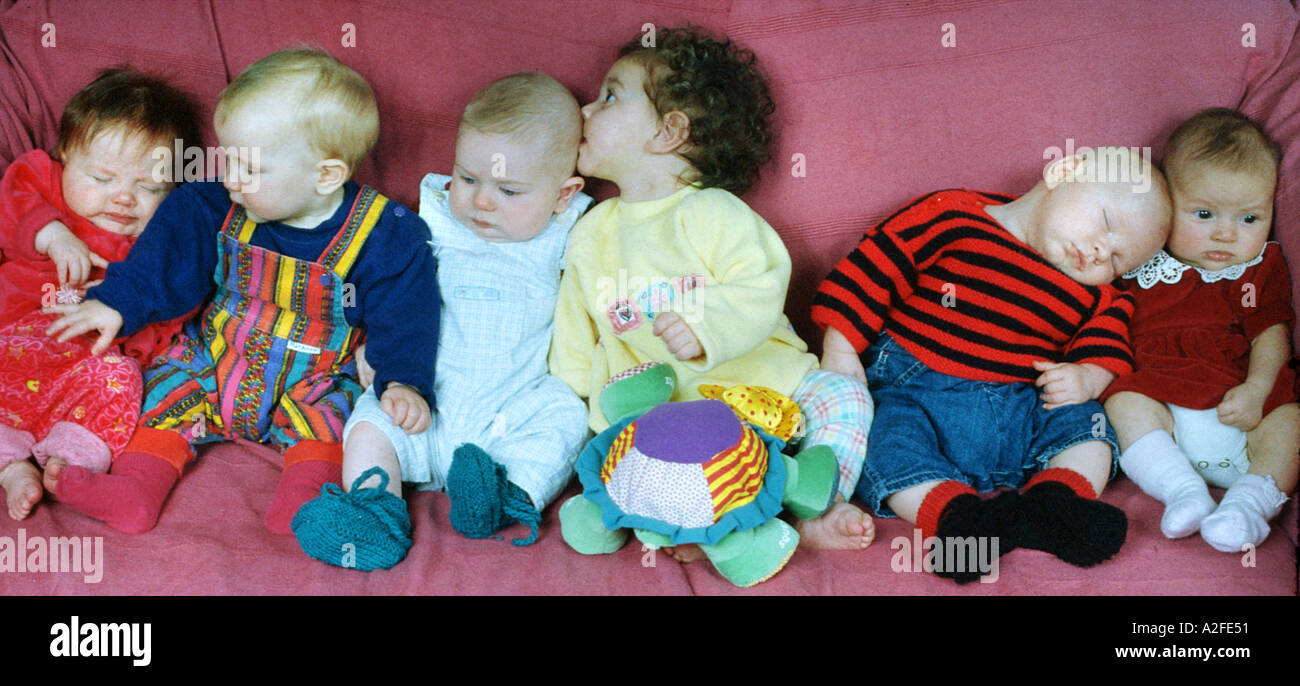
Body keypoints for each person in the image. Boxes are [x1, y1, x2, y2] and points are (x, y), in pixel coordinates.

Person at [43, 48, 438, 535]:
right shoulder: (210, 205)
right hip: (215, 356)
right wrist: (118, 302)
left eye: (248, 169)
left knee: (334, 421)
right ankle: (135, 489)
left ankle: (305, 501)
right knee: (164, 391)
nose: (229, 177)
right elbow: (163, 262)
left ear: (326, 175)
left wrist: (402, 379)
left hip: (312, 377)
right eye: (227, 159)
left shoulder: (388, 234)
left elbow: (408, 316)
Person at [549, 27, 876, 556]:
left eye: (609, 96)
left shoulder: (711, 211)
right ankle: (711, 523)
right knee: (638, 458)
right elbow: (573, 333)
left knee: (845, 397)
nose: (584, 111)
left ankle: (813, 503)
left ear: (669, 131)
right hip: (669, 417)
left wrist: (704, 326)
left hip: (771, 391)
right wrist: (573, 409)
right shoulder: (589, 231)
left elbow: (761, 283)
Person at [814, 146, 1172, 582]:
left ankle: (1053, 504)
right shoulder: (954, 216)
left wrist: (1085, 376)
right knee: (883, 437)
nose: (1100, 251)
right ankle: (957, 519)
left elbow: (1108, 344)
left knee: (1088, 424)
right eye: (1107, 222)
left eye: (1118, 260)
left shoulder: (1094, 294)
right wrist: (841, 349)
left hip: (1022, 406)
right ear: (1064, 170)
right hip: (916, 394)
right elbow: (876, 266)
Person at [294, 72, 591, 569]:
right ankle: (374, 511)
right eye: (468, 178)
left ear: (563, 195)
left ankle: (502, 492)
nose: (481, 201)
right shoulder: (430, 221)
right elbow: (381, 280)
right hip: (421, 399)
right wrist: (374, 344)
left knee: (568, 416)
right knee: (368, 424)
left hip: (511, 409)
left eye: (509, 191)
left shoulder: (567, 232)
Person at [0, 68, 200, 520]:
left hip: (93, 364)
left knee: (122, 382)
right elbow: (11, 200)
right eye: (102, 178)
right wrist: (52, 235)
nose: (124, 198)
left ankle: (64, 465)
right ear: (66, 155)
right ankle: (12, 467)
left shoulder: (157, 242)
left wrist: (133, 306)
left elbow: (179, 295)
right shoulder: (43, 184)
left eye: (150, 187)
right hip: (19, 339)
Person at [1103, 108, 1298, 552]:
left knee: (1291, 420)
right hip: (1162, 411)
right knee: (1124, 402)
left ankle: (1249, 503)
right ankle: (1181, 491)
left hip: (1242, 408)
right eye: (1205, 213)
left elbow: (1270, 332)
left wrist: (1259, 387)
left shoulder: (1256, 269)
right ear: (1167, 204)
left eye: (1249, 218)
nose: (1226, 234)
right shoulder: (1142, 260)